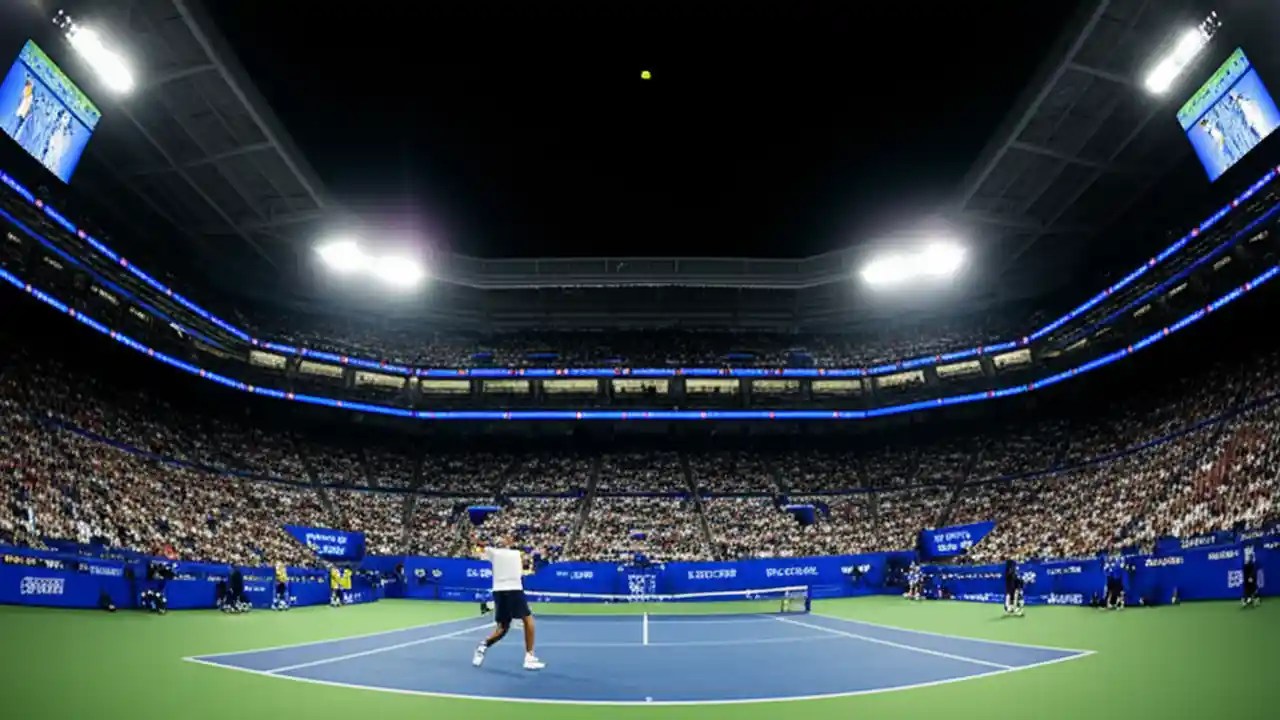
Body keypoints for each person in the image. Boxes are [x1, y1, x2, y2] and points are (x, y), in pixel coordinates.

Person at [472, 537, 544, 671]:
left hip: (504, 590)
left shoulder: (516, 553)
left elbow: (532, 557)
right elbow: (478, 547)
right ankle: (529, 657)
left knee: (503, 628)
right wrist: (478, 540)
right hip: (511, 589)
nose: (507, 540)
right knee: (528, 621)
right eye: (505, 539)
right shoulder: (492, 552)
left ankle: (483, 646)